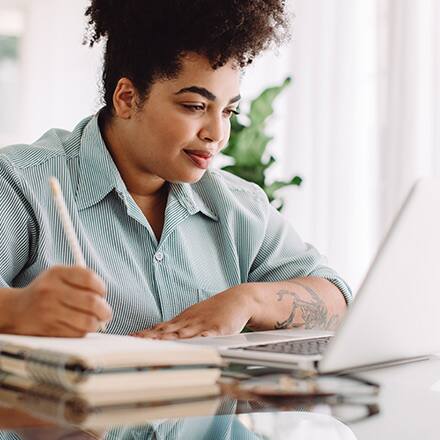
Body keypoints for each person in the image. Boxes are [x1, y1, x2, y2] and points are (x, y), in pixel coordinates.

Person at [0, 0, 351, 339]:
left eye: (228, 111)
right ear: (126, 98)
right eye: (195, 106)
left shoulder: (238, 206)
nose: (216, 134)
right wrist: (18, 308)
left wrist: (247, 300)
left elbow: (337, 300)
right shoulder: (22, 182)